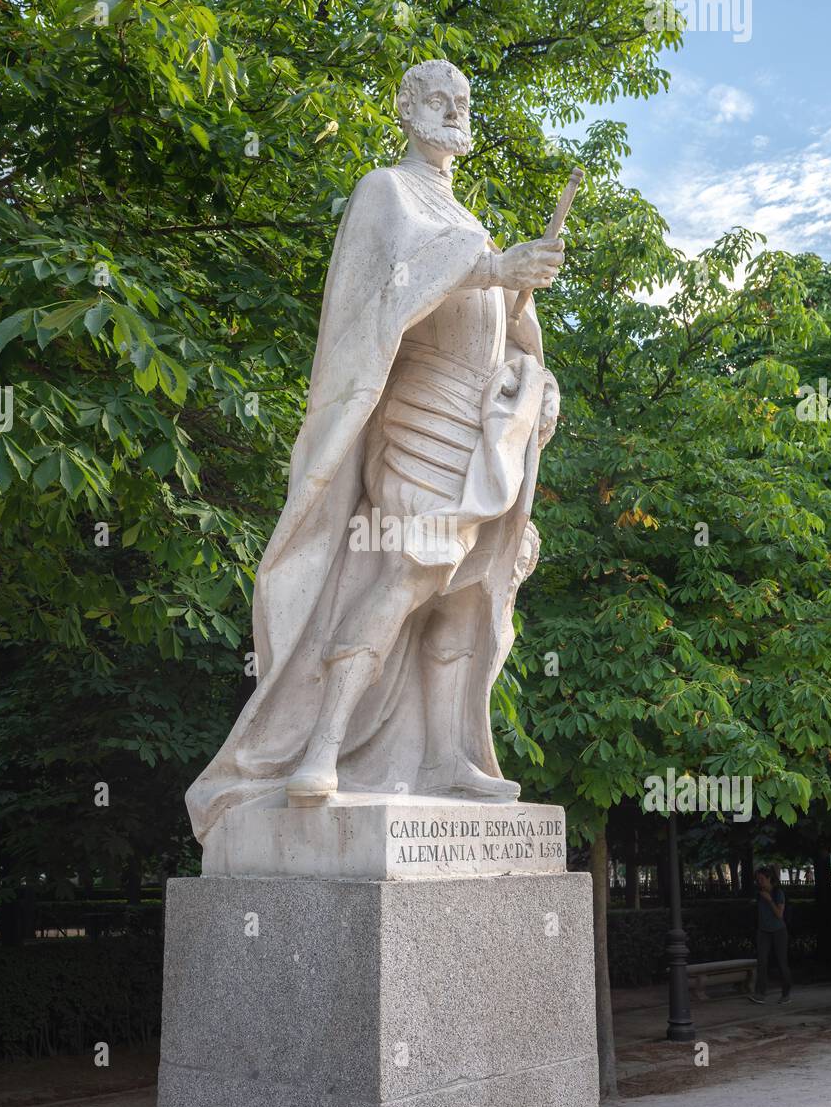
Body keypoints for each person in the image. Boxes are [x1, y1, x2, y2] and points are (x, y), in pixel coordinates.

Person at [187, 60, 565, 837]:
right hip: (418, 412)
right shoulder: (383, 191)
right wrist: (492, 268)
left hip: (478, 423)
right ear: (405, 108)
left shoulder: (466, 214)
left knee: (462, 594)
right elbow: (376, 302)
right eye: (439, 99)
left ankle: (444, 757)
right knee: (409, 567)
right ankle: (318, 749)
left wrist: (530, 356)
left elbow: (495, 321)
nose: (454, 112)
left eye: (462, 102)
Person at [748, 865, 792, 1004]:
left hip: (779, 931)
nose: (759, 882)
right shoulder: (758, 893)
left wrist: (769, 900)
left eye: (761, 879)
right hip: (763, 932)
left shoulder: (778, 893)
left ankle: (786, 994)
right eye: (757, 879)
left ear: (769, 878)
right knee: (762, 961)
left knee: (781, 963)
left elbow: (779, 914)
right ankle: (760, 993)